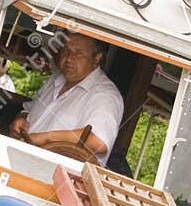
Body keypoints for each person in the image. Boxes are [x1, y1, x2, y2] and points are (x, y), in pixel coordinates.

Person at [9, 32, 123, 160]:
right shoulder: (55, 79)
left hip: (53, 176)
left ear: (96, 58)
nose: (68, 58)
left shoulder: (105, 95)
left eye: (78, 53)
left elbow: (98, 142)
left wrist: (48, 137)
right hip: (19, 160)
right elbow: (29, 110)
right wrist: (22, 118)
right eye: (66, 50)